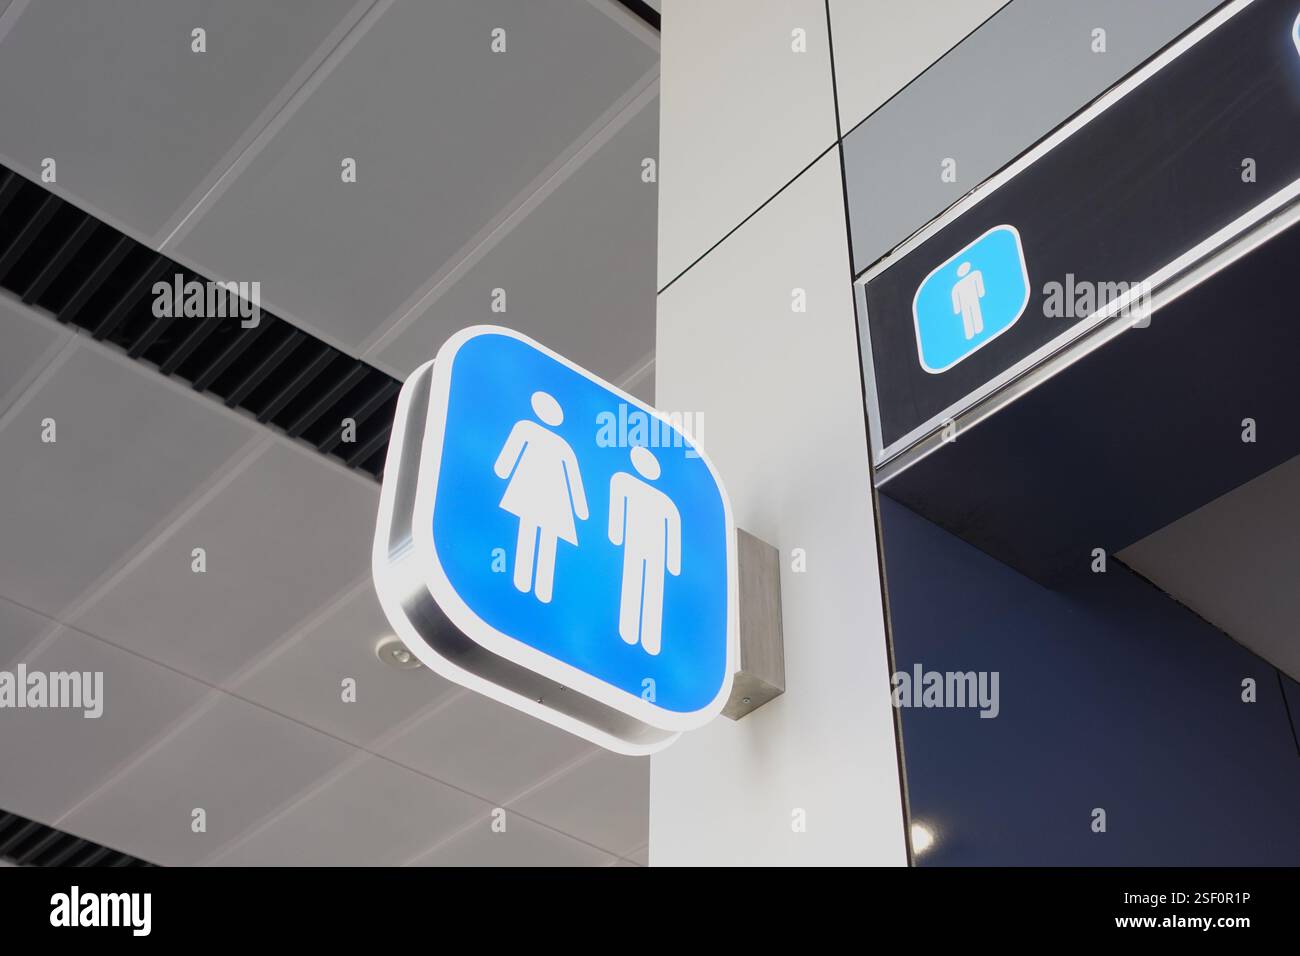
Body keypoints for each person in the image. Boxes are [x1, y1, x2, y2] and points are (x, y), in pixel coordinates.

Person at [493, 391, 588, 604]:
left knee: (545, 540)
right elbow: (510, 454)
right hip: (534, 491)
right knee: (530, 534)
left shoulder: (562, 445)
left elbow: (573, 477)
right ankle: (522, 584)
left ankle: (537, 589)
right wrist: (502, 469)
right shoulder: (527, 429)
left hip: (552, 497)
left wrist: (581, 509)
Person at [608, 446, 681, 656]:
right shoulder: (625, 483)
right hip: (635, 545)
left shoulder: (664, 502)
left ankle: (648, 641)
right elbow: (617, 509)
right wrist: (616, 535)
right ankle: (629, 632)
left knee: (652, 591)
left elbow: (673, 529)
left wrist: (673, 564)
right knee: (634, 585)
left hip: (653, 551)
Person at [951, 260, 986, 340]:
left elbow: (979, 284)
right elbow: (955, 296)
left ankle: (977, 328)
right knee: (968, 316)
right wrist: (957, 309)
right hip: (965, 303)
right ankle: (972, 332)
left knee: (974, 312)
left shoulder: (974, 275)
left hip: (973, 300)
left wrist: (981, 293)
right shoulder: (957, 286)